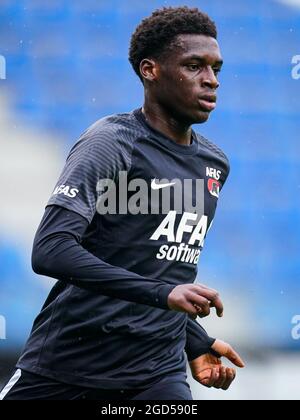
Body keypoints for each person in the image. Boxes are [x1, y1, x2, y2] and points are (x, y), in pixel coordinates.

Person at [0, 6, 244, 401]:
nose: (211, 81)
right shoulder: (111, 144)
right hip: (71, 366)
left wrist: (195, 341)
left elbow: (159, 265)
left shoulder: (213, 164)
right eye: (194, 66)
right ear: (150, 70)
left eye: (216, 68)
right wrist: (164, 295)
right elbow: (50, 251)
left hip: (157, 373)